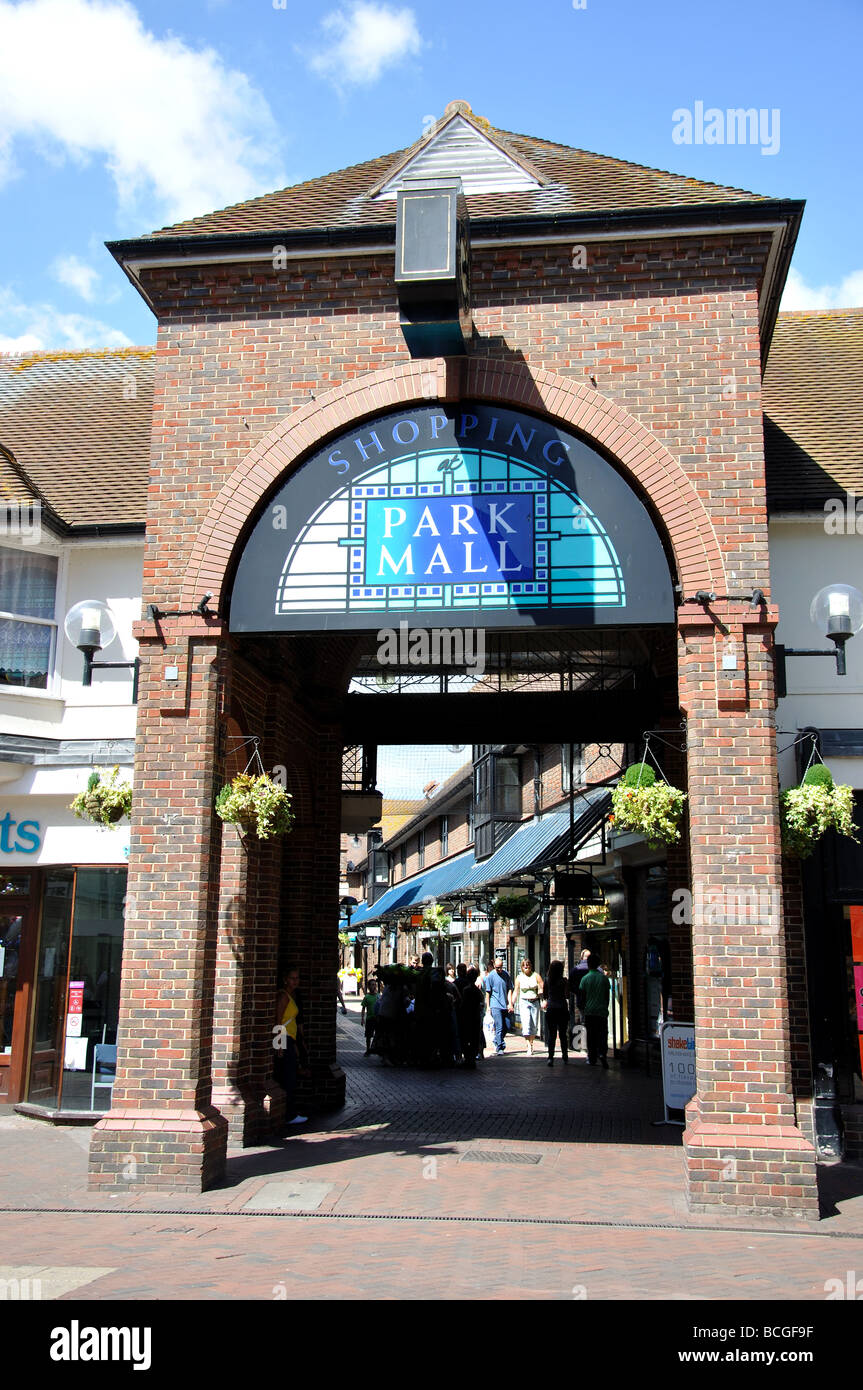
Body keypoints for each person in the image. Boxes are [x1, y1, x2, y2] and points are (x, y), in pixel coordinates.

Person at [274, 965, 308, 1125]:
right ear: (285, 979)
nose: (296, 981)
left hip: (289, 1040)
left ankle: (289, 1113)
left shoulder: (291, 995)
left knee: (291, 1076)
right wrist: (278, 1045)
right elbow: (278, 1021)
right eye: (292, 978)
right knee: (288, 1077)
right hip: (284, 1040)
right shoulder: (283, 996)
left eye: (297, 978)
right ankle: (289, 1115)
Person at [577, 952, 611, 1068]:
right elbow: (607, 997)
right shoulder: (604, 979)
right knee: (602, 1034)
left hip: (590, 1012)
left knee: (591, 1036)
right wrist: (604, 1007)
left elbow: (582, 997)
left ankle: (592, 1058)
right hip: (601, 1012)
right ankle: (602, 1054)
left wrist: (583, 1008)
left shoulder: (585, 979)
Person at [512, 957, 543, 1056]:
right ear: (521, 967)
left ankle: (531, 1042)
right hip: (524, 1002)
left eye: (528, 965)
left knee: (533, 1024)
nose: (526, 966)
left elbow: (542, 987)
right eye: (524, 965)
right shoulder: (519, 977)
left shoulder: (536, 976)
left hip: (534, 1001)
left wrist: (541, 996)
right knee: (526, 1024)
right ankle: (528, 1045)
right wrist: (511, 1003)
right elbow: (516, 991)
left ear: (530, 966)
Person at [483, 955, 514, 1055]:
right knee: (499, 1026)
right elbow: (488, 993)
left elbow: (510, 989)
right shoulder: (490, 976)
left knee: (507, 1026)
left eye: (501, 967)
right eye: (497, 967)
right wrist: (488, 1007)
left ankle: (497, 1040)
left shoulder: (506, 975)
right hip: (495, 1004)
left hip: (505, 1004)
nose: (500, 969)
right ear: (494, 966)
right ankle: (500, 1047)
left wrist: (510, 1003)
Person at [542, 959, 570, 1066]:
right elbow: (567, 995)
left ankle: (550, 1057)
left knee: (552, 1034)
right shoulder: (564, 981)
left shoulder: (547, 980)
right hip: (562, 1009)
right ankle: (565, 1056)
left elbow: (545, 995)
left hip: (551, 1009)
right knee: (563, 1034)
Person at [458, 967, 485, 1068]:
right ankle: (472, 1058)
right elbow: (481, 1002)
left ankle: (467, 1058)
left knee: (466, 1038)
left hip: (466, 1017)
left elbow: (463, 1004)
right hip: (475, 1017)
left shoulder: (466, 990)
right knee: (474, 1038)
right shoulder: (477, 991)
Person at [360, 978, 379, 1055]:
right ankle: (368, 1049)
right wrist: (362, 1019)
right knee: (368, 1035)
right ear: (368, 986)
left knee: (377, 1035)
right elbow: (363, 1008)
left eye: (374, 985)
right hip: (369, 1019)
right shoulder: (367, 997)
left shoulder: (378, 996)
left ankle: (376, 1049)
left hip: (377, 1019)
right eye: (372, 985)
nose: (373, 986)